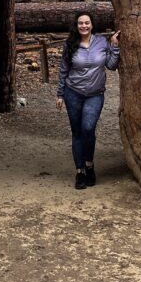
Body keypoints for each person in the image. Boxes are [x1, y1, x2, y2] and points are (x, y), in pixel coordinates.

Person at [56, 13, 120, 189]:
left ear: (92, 25)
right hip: (73, 93)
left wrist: (114, 46)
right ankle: (80, 172)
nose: (84, 26)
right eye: (80, 23)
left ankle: (89, 165)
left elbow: (112, 65)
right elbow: (63, 71)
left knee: (88, 128)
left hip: (95, 94)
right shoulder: (70, 44)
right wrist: (60, 94)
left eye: (87, 23)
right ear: (76, 26)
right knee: (77, 132)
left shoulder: (101, 42)